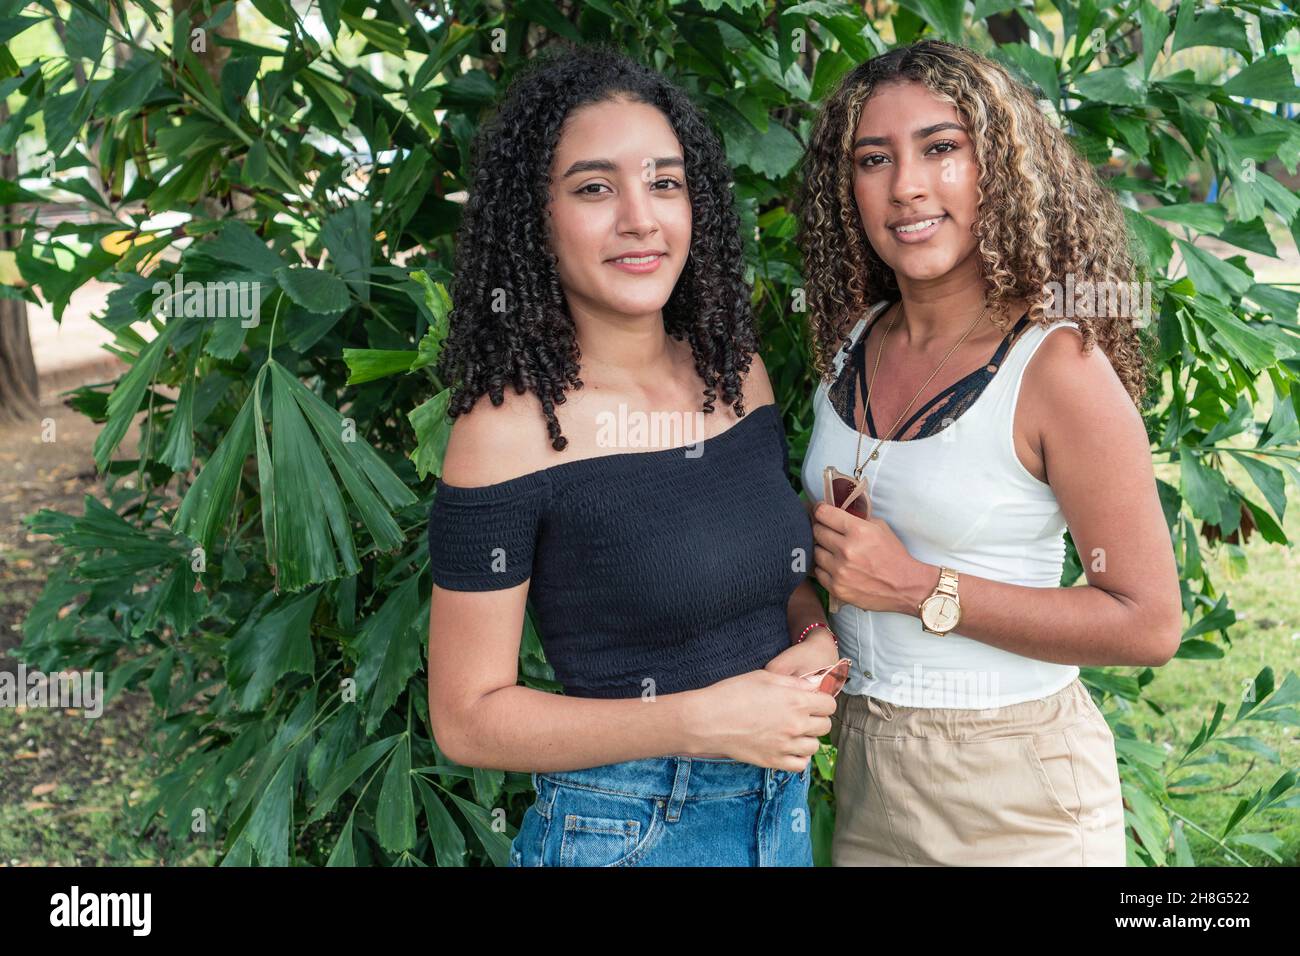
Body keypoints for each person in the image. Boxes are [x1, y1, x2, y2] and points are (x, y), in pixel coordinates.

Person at [426, 46, 840, 867]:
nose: (639, 218)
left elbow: (775, 573)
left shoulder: (734, 373)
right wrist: (694, 719)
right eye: (593, 188)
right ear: (534, 217)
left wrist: (812, 632)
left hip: (777, 818)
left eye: (663, 182)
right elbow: (466, 718)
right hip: (627, 833)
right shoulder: (506, 429)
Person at [795, 39, 1182, 866]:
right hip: (867, 770)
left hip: (1016, 791)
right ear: (847, 189)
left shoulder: (1056, 368)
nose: (907, 185)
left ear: (997, 169)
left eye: (941, 148)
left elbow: (1147, 623)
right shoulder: (852, 343)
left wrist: (912, 588)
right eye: (874, 158)